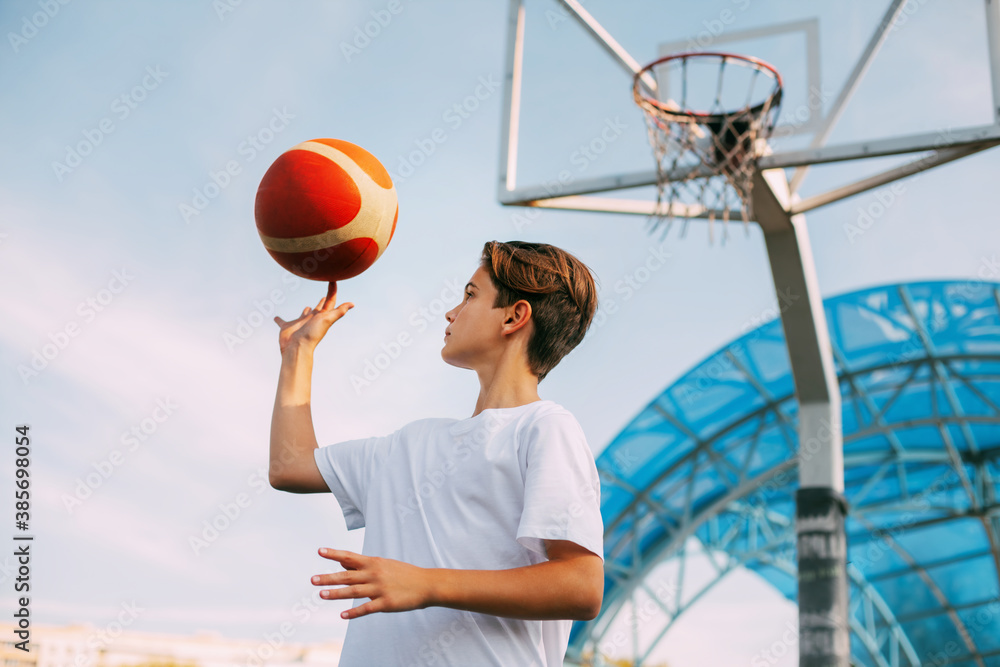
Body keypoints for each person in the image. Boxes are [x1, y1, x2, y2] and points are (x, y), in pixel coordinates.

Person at [268, 240, 605, 666]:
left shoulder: (543, 428)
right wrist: (298, 354)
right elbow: (290, 467)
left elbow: (581, 586)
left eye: (469, 295)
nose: (450, 312)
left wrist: (427, 584)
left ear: (515, 316)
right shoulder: (411, 443)